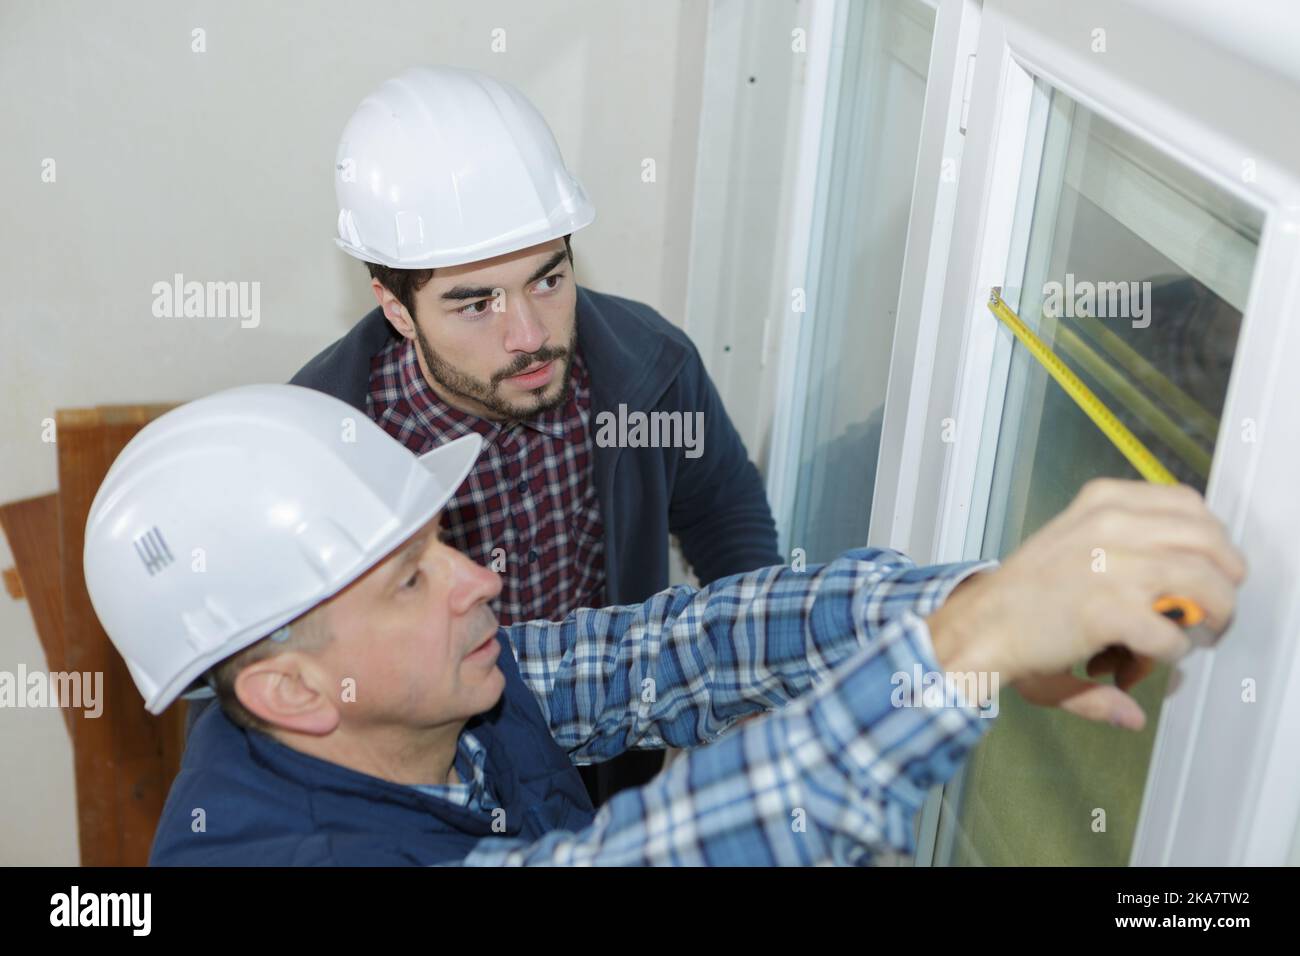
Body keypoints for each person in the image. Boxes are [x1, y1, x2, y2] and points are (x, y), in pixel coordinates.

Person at [84, 385, 1244, 866]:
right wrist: (964, 652)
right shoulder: (271, 855)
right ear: (291, 690)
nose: (478, 577)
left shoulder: (412, 700)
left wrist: (954, 604)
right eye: (406, 578)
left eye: (440, 541)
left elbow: (681, 647)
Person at [230, 64, 783, 802]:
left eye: (548, 280)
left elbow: (720, 509)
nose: (530, 337)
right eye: (476, 303)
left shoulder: (649, 373)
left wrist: (762, 679)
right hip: (436, 793)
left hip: (610, 776)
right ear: (396, 309)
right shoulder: (326, 448)